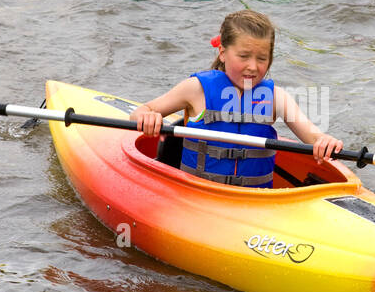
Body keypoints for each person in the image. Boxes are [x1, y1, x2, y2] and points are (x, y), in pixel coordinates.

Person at [134, 11, 342, 188]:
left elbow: (312, 136)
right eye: (243, 56)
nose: (253, 66)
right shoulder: (196, 89)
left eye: (262, 59)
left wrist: (325, 141)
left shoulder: (276, 97)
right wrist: (148, 117)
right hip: (197, 194)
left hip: (253, 200)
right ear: (223, 53)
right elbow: (142, 111)